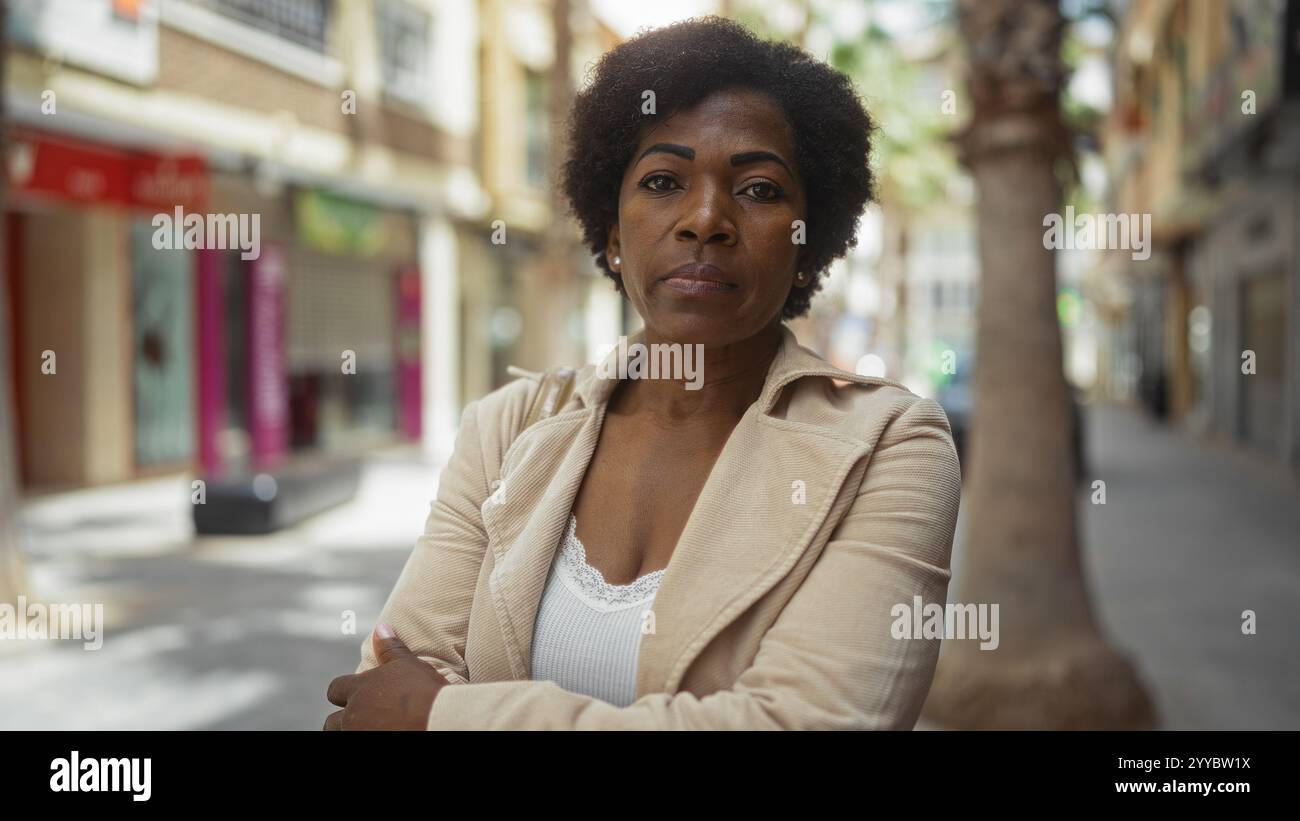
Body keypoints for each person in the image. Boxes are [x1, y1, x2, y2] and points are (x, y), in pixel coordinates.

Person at [324, 16, 961, 730]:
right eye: (663, 180)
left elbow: (804, 720)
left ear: (810, 248)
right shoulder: (506, 427)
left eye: (757, 190)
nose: (706, 219)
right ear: (612, 233)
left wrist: (444, 716)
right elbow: (389, 677)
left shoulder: (890, 448)